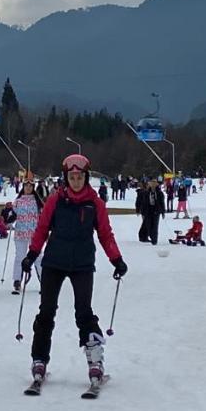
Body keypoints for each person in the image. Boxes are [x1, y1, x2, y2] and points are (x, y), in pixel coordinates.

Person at [21, 153, 125, 391]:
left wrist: (116, 260)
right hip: (54, 263)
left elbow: (105, 235)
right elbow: (42, 229)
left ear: (86, 177)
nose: (76, 181)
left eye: (80, 177)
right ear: (66, 178)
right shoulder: (55, 201)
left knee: (84, 312)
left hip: (82, 264)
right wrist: (31, 255)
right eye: (72, 177)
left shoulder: (95, 204)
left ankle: (95, 360)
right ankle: (39, 360)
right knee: (46, 312)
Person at [10, 179, 45, 294]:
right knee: (20, 256)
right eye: (26, 186)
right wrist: (9, 217)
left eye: (31, 186)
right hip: (20, 233)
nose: (28, 188)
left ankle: (44, 281)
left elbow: (44, 214)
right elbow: (12, 214)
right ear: (23, 187)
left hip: (34, 234)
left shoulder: (37, 201)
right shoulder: (18, 201)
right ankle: (17, 280)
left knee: (38, 257)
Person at [135, 177, 165, 245]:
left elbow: (162, 202)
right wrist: (139, 210)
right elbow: (141, 202)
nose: (153, 185)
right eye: (152, 183)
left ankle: (154, 240)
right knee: (148, 225)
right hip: (147, 211)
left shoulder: (159, 193)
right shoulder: (146, 193)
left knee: (155, 226)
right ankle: (145, 236)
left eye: (155, 183)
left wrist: (163, 211)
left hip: (156, 211)